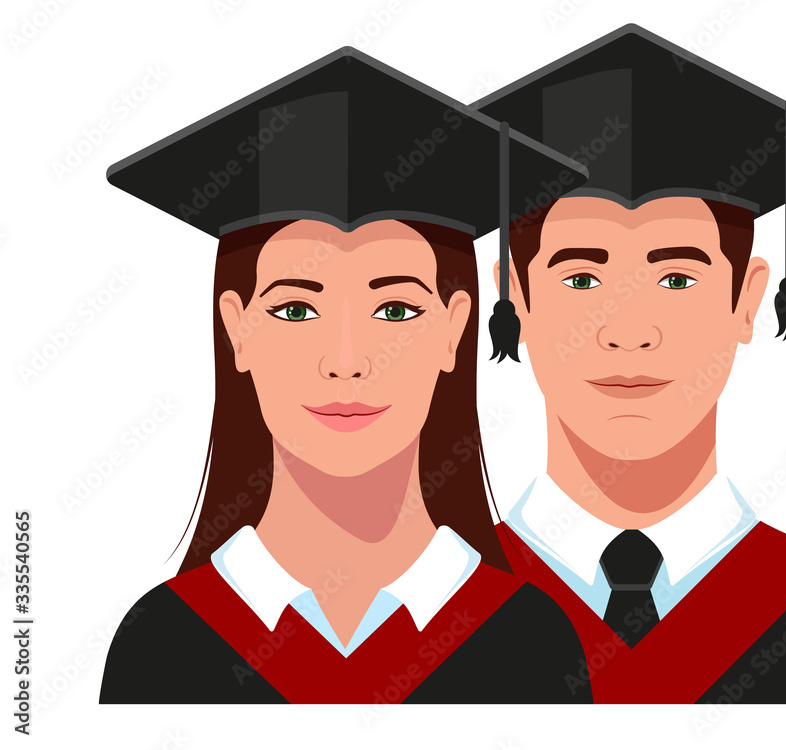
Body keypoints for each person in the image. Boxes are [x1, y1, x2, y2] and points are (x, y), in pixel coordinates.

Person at [99, 47, 591, 704]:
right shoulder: (162, 644)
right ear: (237, 329)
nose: (347, 359)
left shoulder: (532, 641)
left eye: (396, 310)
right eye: (295, 310)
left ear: (454, 330)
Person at [474, 24, 786, 703]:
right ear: (516, 299)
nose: (628, 332)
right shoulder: (444, 614)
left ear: (748, 301)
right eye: (582, 279)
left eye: (677, 279)